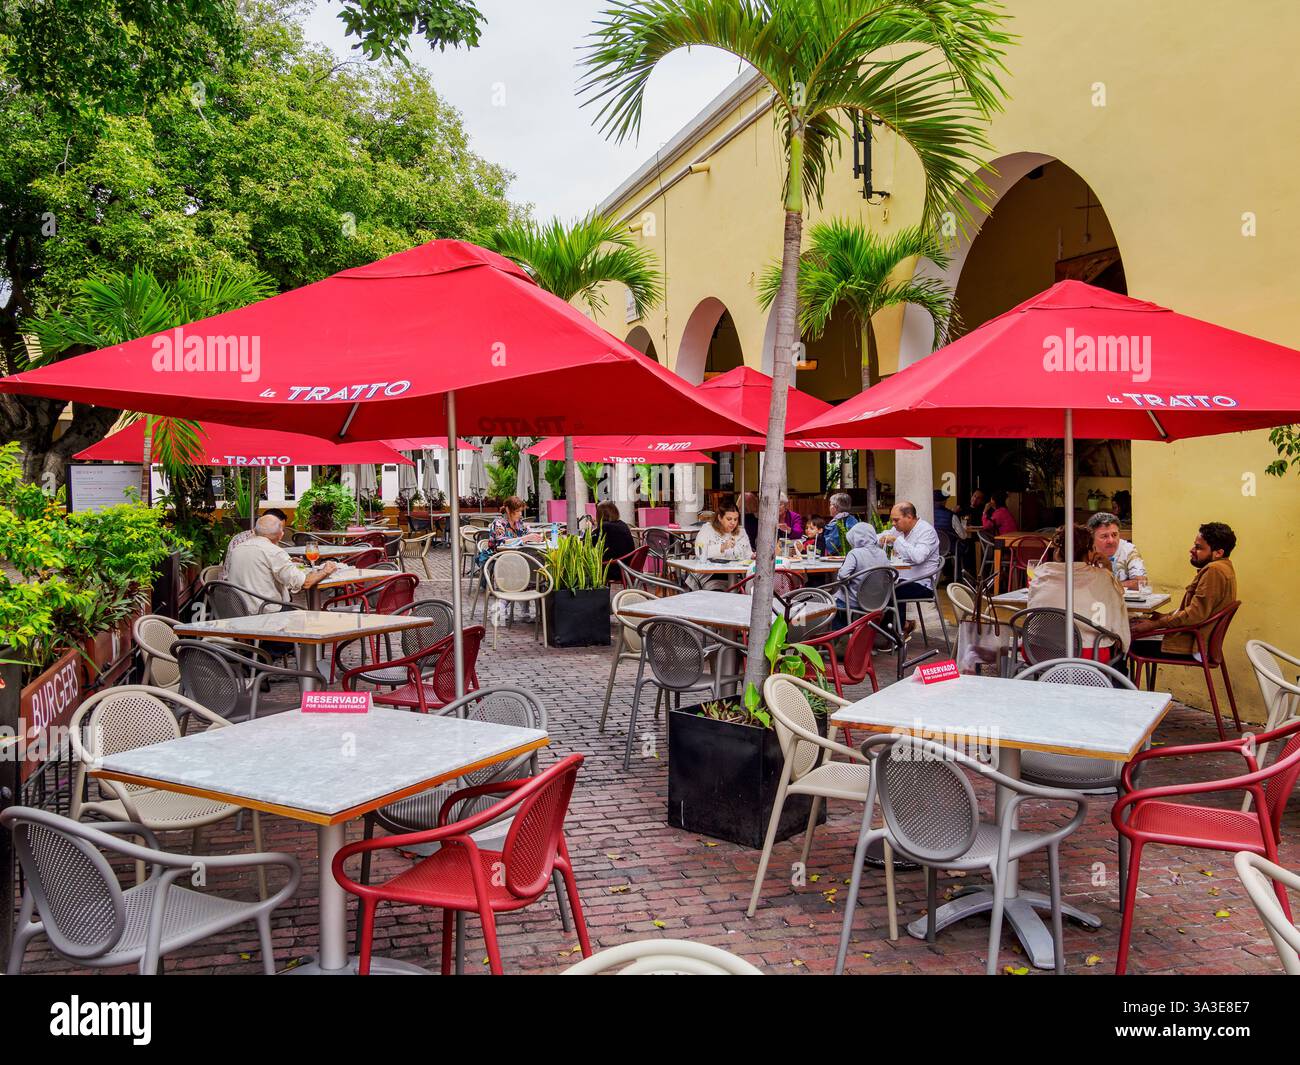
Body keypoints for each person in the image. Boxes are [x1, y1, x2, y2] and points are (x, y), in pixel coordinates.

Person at [1130, 522, 1238, 658]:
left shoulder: (1214, 571)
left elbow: (1194, 615)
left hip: (1193, 645)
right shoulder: (1225, 567)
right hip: (1199, 640)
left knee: (1129, 642)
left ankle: (1111, 679)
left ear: (1218, 552)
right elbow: (1196, 610)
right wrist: (1161, 617)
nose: (1192, 550)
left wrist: (1154, 625)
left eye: (1199, 548)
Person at [1027, 524, 1130, 655]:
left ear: (1058, 551)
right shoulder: (1102, 576)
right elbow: (1116, 610)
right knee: (1116, 648)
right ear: (1089, 551)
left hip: (1037, 651)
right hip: (1086, 655)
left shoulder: (1041, 573)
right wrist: (1108, 569)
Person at [227, 514, 337, 609]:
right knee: (307, 621)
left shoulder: (237, 549)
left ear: (255, 531)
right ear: (281, 535)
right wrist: (326, 570)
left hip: (238, 611)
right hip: (267, 613)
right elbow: (306, 583)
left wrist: (288, 563)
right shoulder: (274, 552)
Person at [880, 501, 942, 636]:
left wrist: (897, 541)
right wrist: (877, 538)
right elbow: (883, 535)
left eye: (896, 520)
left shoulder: (926, 531)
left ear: (909, 517)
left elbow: (918, 557)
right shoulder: (899, 530)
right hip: (902, 579)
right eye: (892, 520)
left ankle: (895, 633)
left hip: (922, 583)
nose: (893, 524)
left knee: (891, 591)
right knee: (877, 587)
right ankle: (897, 627)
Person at [835, 521, 890, 620]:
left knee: (836, 602)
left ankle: (838, 632)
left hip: (854, 600)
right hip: (876, 601)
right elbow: (888, 577)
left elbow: (843, 576)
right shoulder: (882, 553)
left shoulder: (854, 553)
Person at [1087, 511, 1147, 590]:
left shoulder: (1128, 550)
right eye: (1104, 536)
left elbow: (1141, 582)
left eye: (1114, 535)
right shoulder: (1086, 552)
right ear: (1092, 538)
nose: (1111, 541)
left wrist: (1106, 586)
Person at [222, 508, 288, 576]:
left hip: (230, 583)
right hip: (240, 583)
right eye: (279, 528)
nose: (281, 533)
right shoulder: (248, 542)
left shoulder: (241, 537)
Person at [595, 501, 635, 569]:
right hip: (627, 566)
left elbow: (596, 546)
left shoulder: (605, 527)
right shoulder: (622, 524)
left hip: (614, 568)